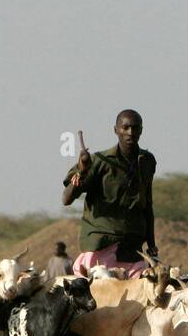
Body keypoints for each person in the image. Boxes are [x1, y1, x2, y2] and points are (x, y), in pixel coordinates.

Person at [61, 109, 158, 278]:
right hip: (102, 245)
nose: (130, 133)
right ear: (116, 130)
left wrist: (152, 246)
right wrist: (83, 171)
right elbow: (66, 199)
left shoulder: (147, 161)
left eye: (135, 128)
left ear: (141, 131)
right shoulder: (99, 161)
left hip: (132, 248)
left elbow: (147, 206)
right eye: (125, 127)